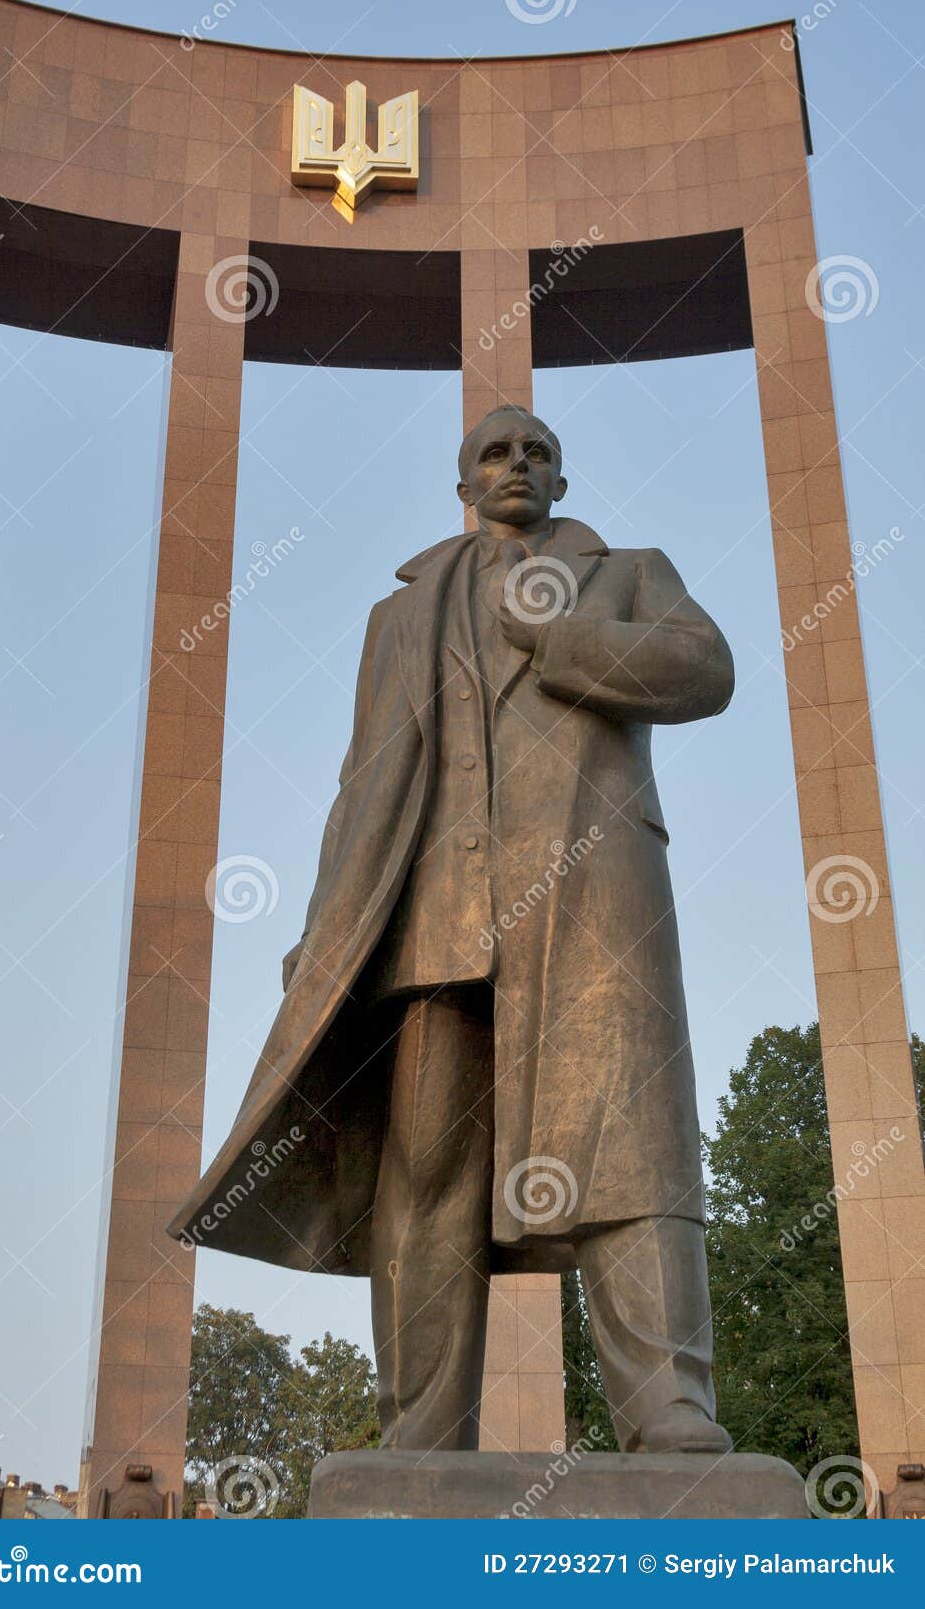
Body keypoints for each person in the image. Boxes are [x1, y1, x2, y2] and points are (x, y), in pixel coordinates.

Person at [170, 404, 735, 1455]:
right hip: (436, 905)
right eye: (494, 451)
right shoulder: (403, 615)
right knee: (425, 1168)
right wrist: (324, 921)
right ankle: (422, 1427)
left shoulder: (628, 571)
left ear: (561, 482)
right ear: (462, 483)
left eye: (538, 452)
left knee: (630, 1142)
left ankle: (667, 1405)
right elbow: (364, 777)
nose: (516, 464)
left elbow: (704, 670)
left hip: (592, 889)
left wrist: (558, 639)